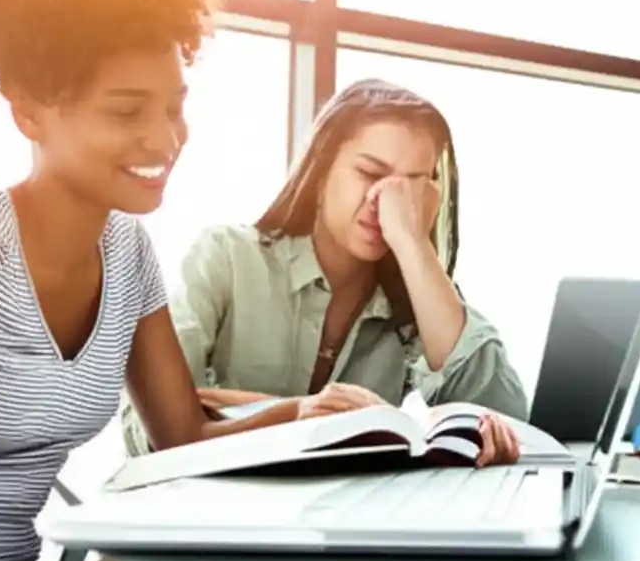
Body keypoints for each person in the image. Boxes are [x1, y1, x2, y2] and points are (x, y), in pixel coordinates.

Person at [0, 0, 342, 561]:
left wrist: (312, 416)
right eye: (127, 111)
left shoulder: (127, 254)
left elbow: (180, 438)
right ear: (30, 112)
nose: (165, 139)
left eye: (173, 107)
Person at [120, 79, 526, 464]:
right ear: (322, 169)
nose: (384, 200)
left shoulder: (417, 305)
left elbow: (505, 416)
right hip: (205, 525)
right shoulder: (226, 258)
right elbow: (147, 430)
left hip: (337, 528)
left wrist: (414, 244)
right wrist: (296, 415)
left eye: (410, 187)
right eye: (370, 174)